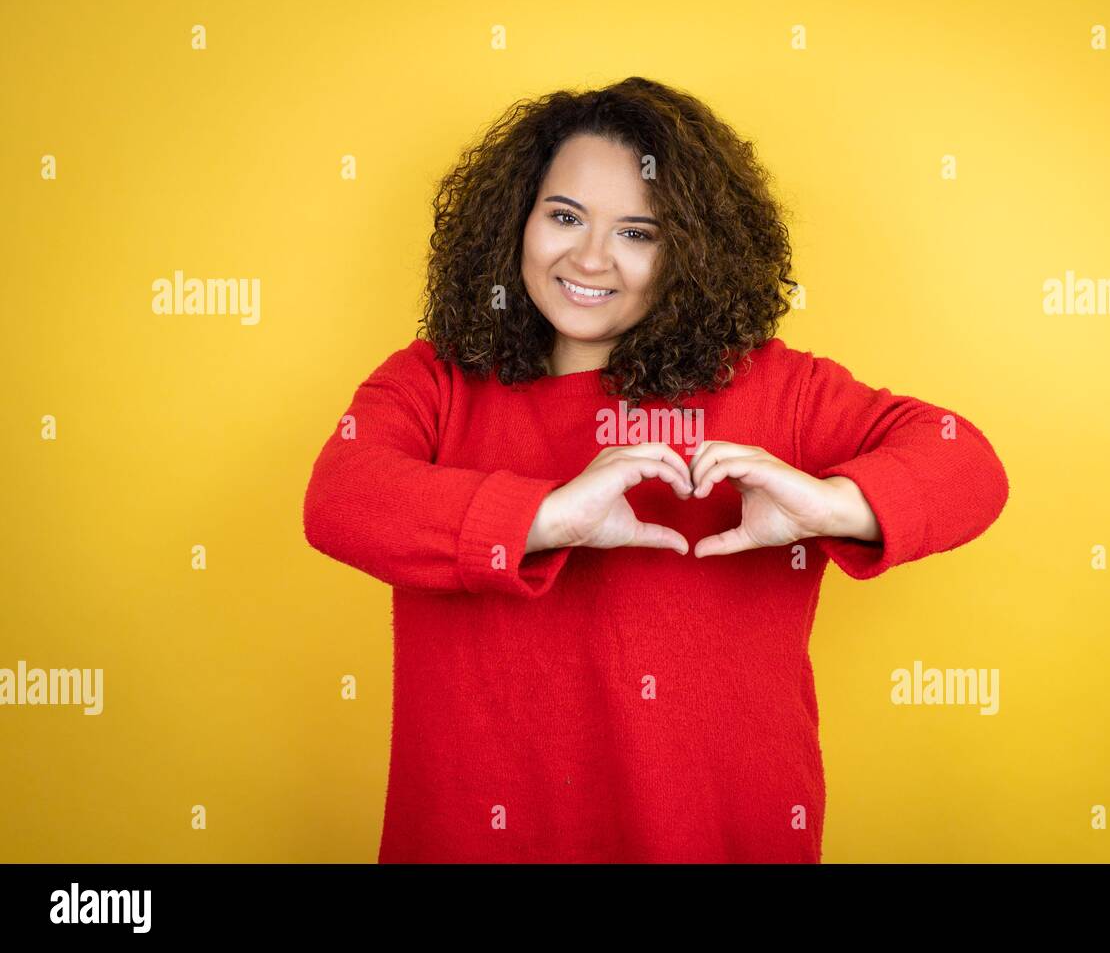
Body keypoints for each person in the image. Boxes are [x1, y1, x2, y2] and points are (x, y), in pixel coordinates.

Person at [302, 76, 1010, 863]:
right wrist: (546, 519)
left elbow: (968, 462)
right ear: (515, 221)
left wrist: (831, 505)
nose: (590, 258)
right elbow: (341, 496)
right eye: (564, 216)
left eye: (638, 233)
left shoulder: (778, 388)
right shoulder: (435, 379)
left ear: (691, 252)